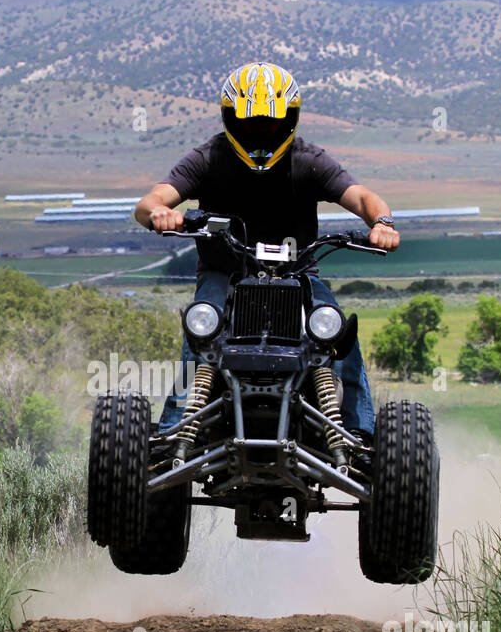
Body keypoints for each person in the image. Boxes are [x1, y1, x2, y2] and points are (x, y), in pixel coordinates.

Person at [134, 61, 399, 441]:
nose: (260, 130)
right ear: (231, 118)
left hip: (298, 274)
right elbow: (151, 201)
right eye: (250, 123)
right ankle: (175, 432)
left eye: (269, 123)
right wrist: (159, 212)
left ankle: (362, 435)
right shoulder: (210, 157)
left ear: (289, 119)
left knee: (336, 331)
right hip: (223, 273)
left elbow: (362, 196)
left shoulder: (308, 159)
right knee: (202, 330)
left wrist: (382, 223)